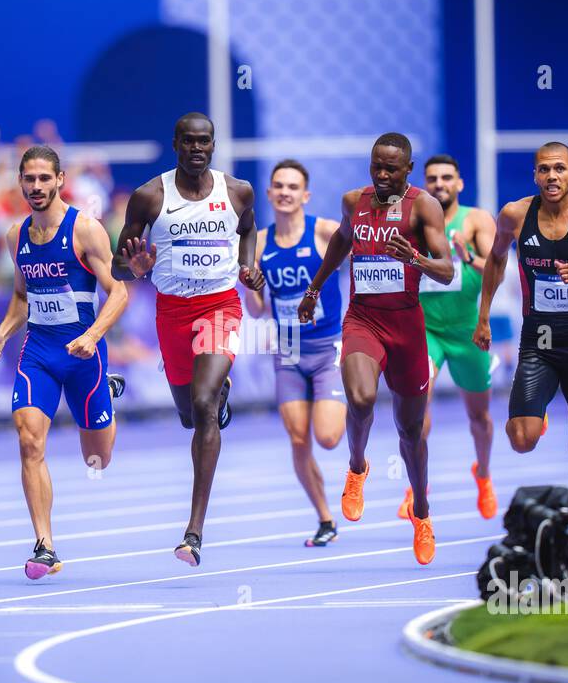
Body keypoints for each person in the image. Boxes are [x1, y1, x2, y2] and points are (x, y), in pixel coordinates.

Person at [110, 113, 264, 568]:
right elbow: (119, 265)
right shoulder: (149, 197)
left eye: (206, 142)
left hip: (220, 307)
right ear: (175, 144)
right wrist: (133, 270)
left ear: (213, 146)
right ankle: (217, 390)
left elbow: (249, 227)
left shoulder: (236, 191)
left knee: (202, 405)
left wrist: (246, 263)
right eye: (189, 142)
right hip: (172, 314)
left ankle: (194, 531)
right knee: (186, 416)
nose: (198, 149)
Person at [297, 133, 454, 565]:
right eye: (376, 167)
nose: (382, 175)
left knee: (410, 433)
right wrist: (315, 288)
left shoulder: (425, 206)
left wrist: (416, 259)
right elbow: (342, 242)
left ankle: (421, 513)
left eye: (391, 169)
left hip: (406, 327)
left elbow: (446, 270)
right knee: (361, 397)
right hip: (363, 320)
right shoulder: (354, 201)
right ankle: (357, 466)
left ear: (408, 169)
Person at [0, 145, 130, 579]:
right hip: (39, 352)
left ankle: (108, 393)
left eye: (45, 179)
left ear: (60, 180)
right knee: (29, 442)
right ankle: (44, 545)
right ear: (20, 182)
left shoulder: (85, 230)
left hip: (85, 356)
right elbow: (22, 297)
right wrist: (2, 334)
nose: (37, 187)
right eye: (30, 179)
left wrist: (92, 336)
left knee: (96, 460)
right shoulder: (15, 236)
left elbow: (118, 293)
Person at [473, 143, 568, 486]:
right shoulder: (514, 215)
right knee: (522, 439)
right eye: (544, 169)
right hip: (538, 340)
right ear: (535, 175)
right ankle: (536, 416)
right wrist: (483, 316)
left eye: (559, 169)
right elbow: (495, 259)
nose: (552, 176)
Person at [243, 159, 347, 547]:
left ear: (305, 195)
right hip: (287, 351)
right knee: (298, 438)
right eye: (278, 186)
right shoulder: (261, 244)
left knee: (328, 437)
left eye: (292, 187)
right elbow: (257, 310)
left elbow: (364, 254)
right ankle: (324, 518)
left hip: (327, 348)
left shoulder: (324, 232)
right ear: (269, 194)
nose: (284, 192)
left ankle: (356, 427)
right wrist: (252, 286)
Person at [403, 153, 497, 521]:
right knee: (417, 404)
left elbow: (497, 270)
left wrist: (467, 255)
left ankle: (484, 474)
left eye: (446, 177)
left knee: (480, 416)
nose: (439, 184)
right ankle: (416, 485)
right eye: (432, 178)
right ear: (424, 184)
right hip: (425, 329)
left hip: (467, 331)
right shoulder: (414, 219)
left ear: (459, 183)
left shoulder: (475, 219)